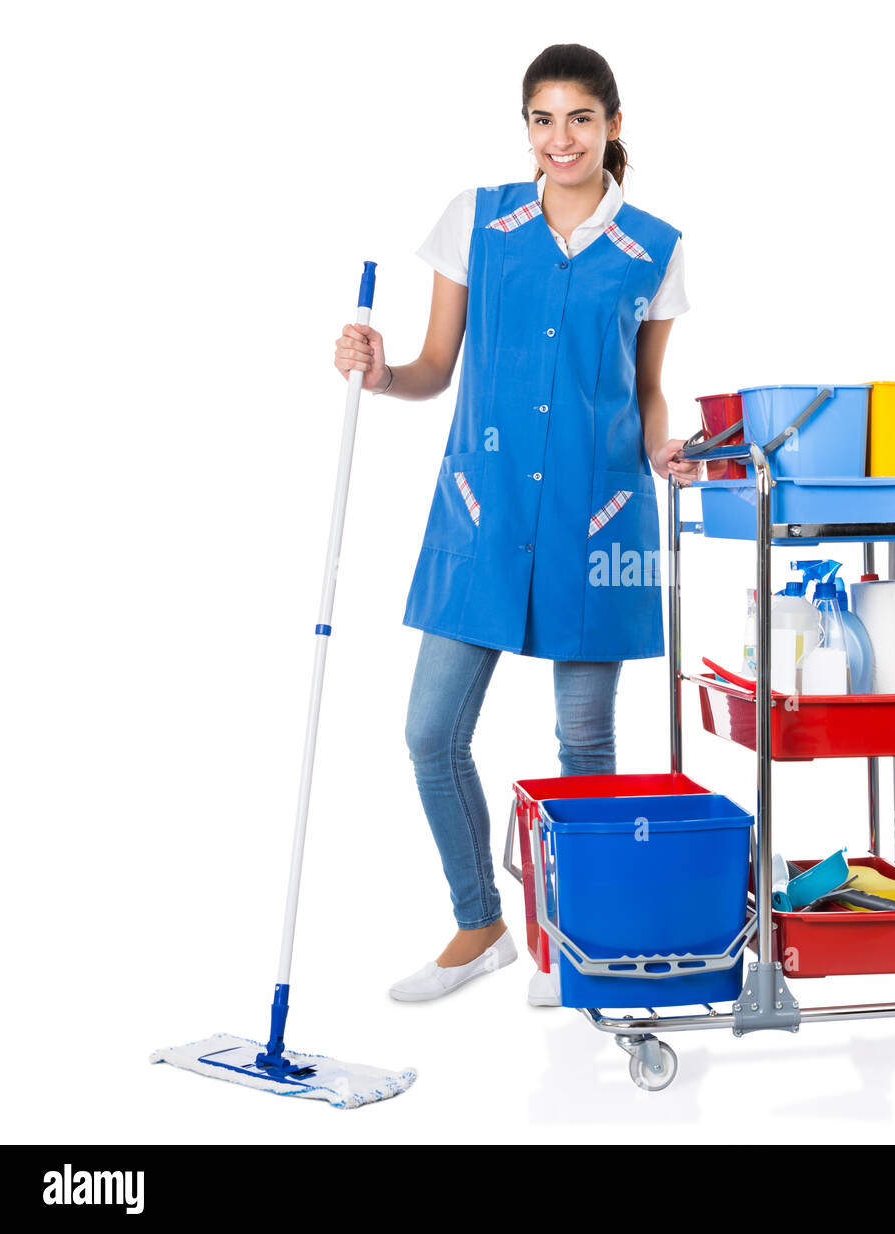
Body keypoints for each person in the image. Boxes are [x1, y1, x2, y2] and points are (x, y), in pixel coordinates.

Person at [332, 43, 697, 1006]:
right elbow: (432, 370)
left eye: (580, 118)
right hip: (482, 516)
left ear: (614, 126)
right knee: (429, 734)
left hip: (600, 519)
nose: (559, 139)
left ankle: (580, 940)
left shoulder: (653, 247)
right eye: (542, 118)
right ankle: (479, 921)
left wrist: (665, 448)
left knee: (584, 739)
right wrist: (378, 370)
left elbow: (647, 391)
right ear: (525, 127)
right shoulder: (479, 220)